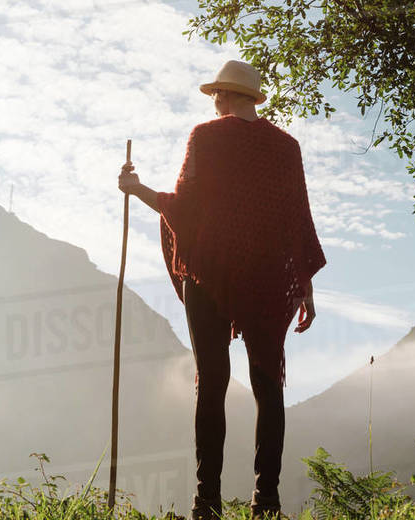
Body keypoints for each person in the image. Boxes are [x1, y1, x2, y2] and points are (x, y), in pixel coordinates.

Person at [118, 58, 326, 520]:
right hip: (270, 282)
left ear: (226, 96)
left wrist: (136, 188)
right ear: (252, 97)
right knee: (268, 386)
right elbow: (298, 223)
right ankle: (265, 503)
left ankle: (205, 503)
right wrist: (304, 286)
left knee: (210, 384)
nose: (213, 103)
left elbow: (183, 207)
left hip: (208, 276)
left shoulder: (205, 138)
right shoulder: (286, 148)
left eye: (216, 95)